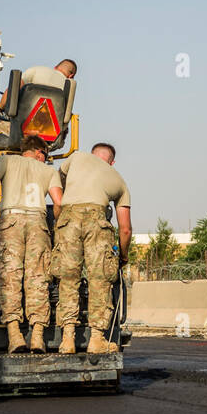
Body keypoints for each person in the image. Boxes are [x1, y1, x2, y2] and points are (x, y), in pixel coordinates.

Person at [0, 135, 63, 354]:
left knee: (10, 277)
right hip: (37, 224)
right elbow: (59, 202)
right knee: (38, 279)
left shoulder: (7, 160)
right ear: (39, 153)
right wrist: (56, 225)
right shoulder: (49, 171)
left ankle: (15, 337)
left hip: (11, 222)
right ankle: (38, 338)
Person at [51, 142, 132, 354]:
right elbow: (125, 229)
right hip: (98, 220)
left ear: (92, 154)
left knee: (68, 279)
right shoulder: (119, 180)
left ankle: (67, 340)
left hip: (69, 218)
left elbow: (55, 180)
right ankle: (96, 340)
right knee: (100, 280)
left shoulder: (76, 157)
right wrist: (123, 257)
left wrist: (60, 214)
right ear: (112, 162)